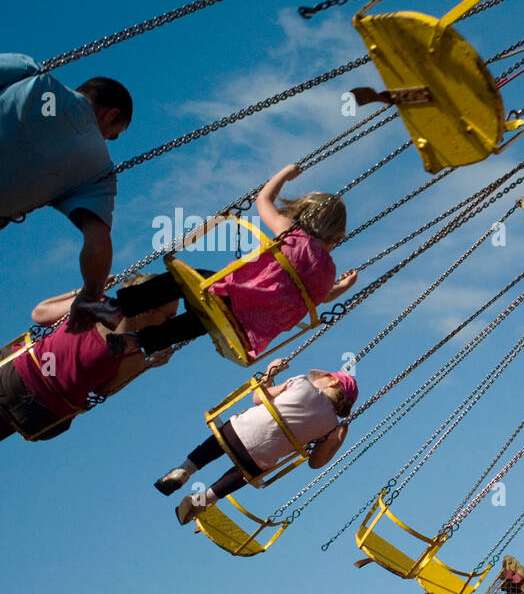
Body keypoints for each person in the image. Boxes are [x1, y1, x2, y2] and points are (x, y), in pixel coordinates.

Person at [103, 164, 358, 358]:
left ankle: (120, 308)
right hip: (247, 331)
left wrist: (285, 173)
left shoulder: (291, 233)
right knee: (201, 322)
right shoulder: (328, 271)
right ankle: (135, 341)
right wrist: (344, 286)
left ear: (302, 212)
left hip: (232, 298)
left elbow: (263, 201)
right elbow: (324, 297)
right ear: (337, 236)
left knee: (182, 279)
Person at [0, 54, 133, 332]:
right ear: (112, 116)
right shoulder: (98, 173)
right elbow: (98, 244)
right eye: (112, 134)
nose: (107, 141)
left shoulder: (30, 76)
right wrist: (90, 296)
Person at [154, 358, 356, 524]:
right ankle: (204, 500)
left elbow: (259, 398)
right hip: (257, 460)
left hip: (236, 433)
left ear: (331, 381)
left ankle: (184, 470)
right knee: (247, 472)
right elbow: (315, 463)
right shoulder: (331, 427)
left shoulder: (301, 382)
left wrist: (271, 371)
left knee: (219, 439)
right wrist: (337, 439)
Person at [0, 279, 174, 442]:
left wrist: (83, 292)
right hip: (36, 413)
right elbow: (103, 390)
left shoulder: (97, 304)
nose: (170, 324)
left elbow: (39, 314)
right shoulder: (134, 357)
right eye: (169, 317)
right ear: (150, 308)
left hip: (11, 377)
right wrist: (148, 364)